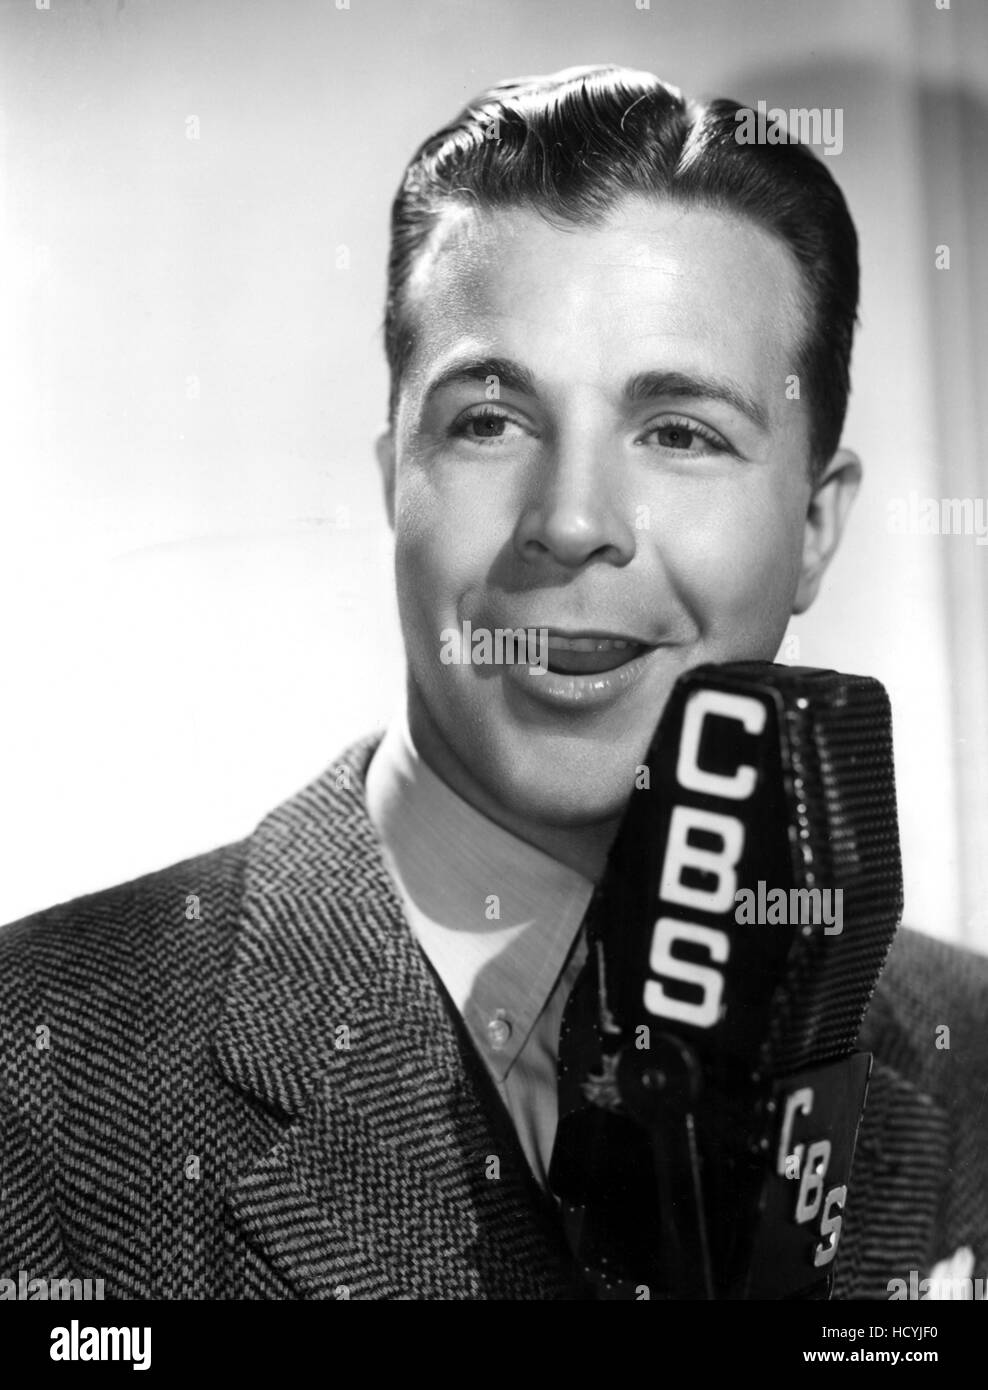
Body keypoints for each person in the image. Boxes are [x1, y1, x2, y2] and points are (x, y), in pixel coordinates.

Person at [1, 64, 986, 1301]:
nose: (570, 521)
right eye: (488, 420)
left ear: (815, 527)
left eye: (678, 432)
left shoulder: (967, 1046)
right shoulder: (34, 1077)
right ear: (392, 481)